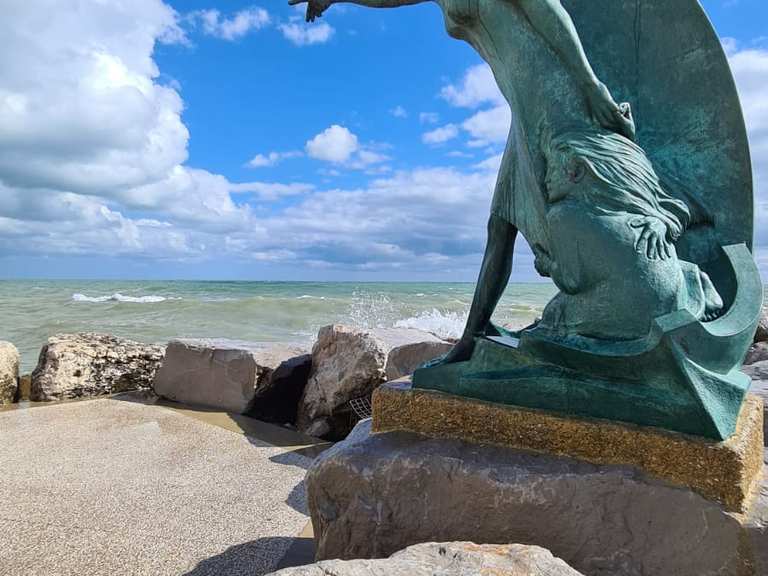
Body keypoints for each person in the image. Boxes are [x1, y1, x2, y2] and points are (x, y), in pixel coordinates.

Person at [289, 0, 640, 360]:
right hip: (524, 108)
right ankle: (473, 336)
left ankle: (613, 318)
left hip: (555, 96)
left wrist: (592, 86)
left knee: (572, 204)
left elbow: (551, 13)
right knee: (500, 223)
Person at [534, 130, 723, 340]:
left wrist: (547, 264)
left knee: (554, 311)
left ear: (576, 172)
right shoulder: (630, 206)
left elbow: (571, 282)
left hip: (634, 318)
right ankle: (697, 282)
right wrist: (662, 222)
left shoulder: (562, 215)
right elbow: (678, 208)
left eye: (552, 170)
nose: (546, 179)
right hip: (673, 304)